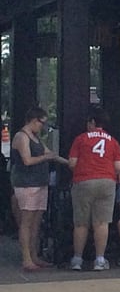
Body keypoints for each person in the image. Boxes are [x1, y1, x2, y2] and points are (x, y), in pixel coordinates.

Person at [10, 106, 67, 271]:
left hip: (40, 182)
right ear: (34, 120)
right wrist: (45, 157)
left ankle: (35, 255)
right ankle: (26, 257)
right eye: (41, 122)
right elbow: (27, 160)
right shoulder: (21, 137)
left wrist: (68, 163)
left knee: (36, 223)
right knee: (26, 221)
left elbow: (51, 154)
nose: (42, 126)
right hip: (26, 183)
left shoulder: (36, 137)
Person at [67, 106, 120, 271]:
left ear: (92, 122)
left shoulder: (81, 139)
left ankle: (77, 259)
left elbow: (72, 163)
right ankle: (99, 260)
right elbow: (119, 166)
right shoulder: (112, 141)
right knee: (101, 222)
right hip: (106, 182)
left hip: (83, 181)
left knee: (81, 223)